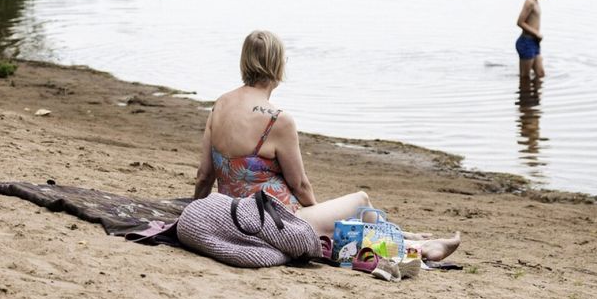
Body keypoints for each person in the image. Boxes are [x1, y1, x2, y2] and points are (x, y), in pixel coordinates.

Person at [194, 30, 460, 260]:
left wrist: (200, 211)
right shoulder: (277, 120)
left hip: (233, 212)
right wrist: (318, 214)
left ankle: (404, 237)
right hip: (276, 221)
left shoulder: (220, 105)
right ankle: (418, 249)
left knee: (357, 216)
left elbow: (205, 176)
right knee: (360, 200)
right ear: (277, 65)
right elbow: (300, 186)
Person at [516, 0, 553, 81]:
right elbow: (520, 22)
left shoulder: (536, 2)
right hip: (526, 42)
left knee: (540, 74)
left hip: (534, 43)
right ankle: (524, 97)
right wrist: (536, 33)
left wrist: (536, 37)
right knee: (525, 77)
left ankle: (536, 97)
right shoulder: (529, 2)